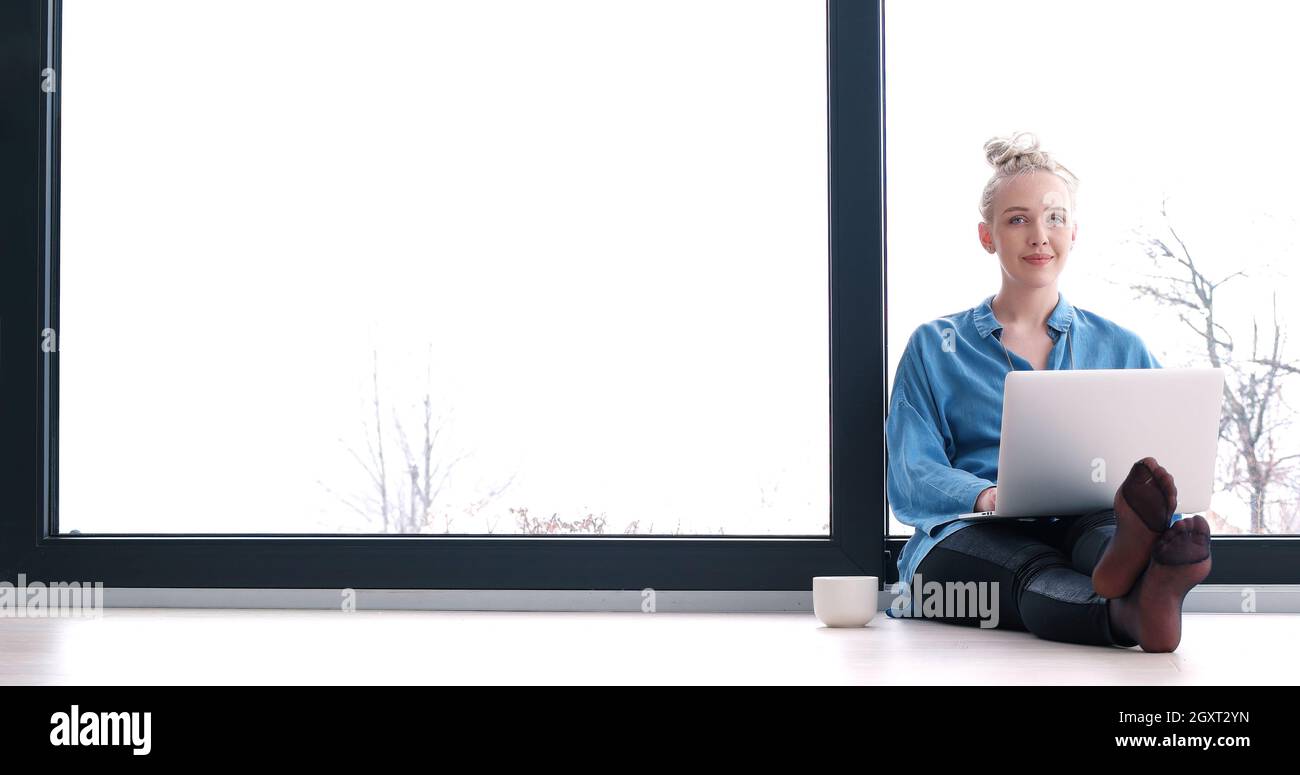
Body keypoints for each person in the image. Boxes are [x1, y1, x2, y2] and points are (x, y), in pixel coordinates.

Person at [884, 131, 1212, 652]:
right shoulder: (934, 345)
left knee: (1105, 529)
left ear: (1074, 232)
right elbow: (910, 471)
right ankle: (1134, 611)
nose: (1040, 235)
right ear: (987, 236)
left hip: (1085, 520)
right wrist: (984, 495)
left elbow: (1160, 458)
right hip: (966, 539)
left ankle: (1129, 566)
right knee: (1030, 569)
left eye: (1054, 218)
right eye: (1018, 219)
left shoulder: (1120, 347)